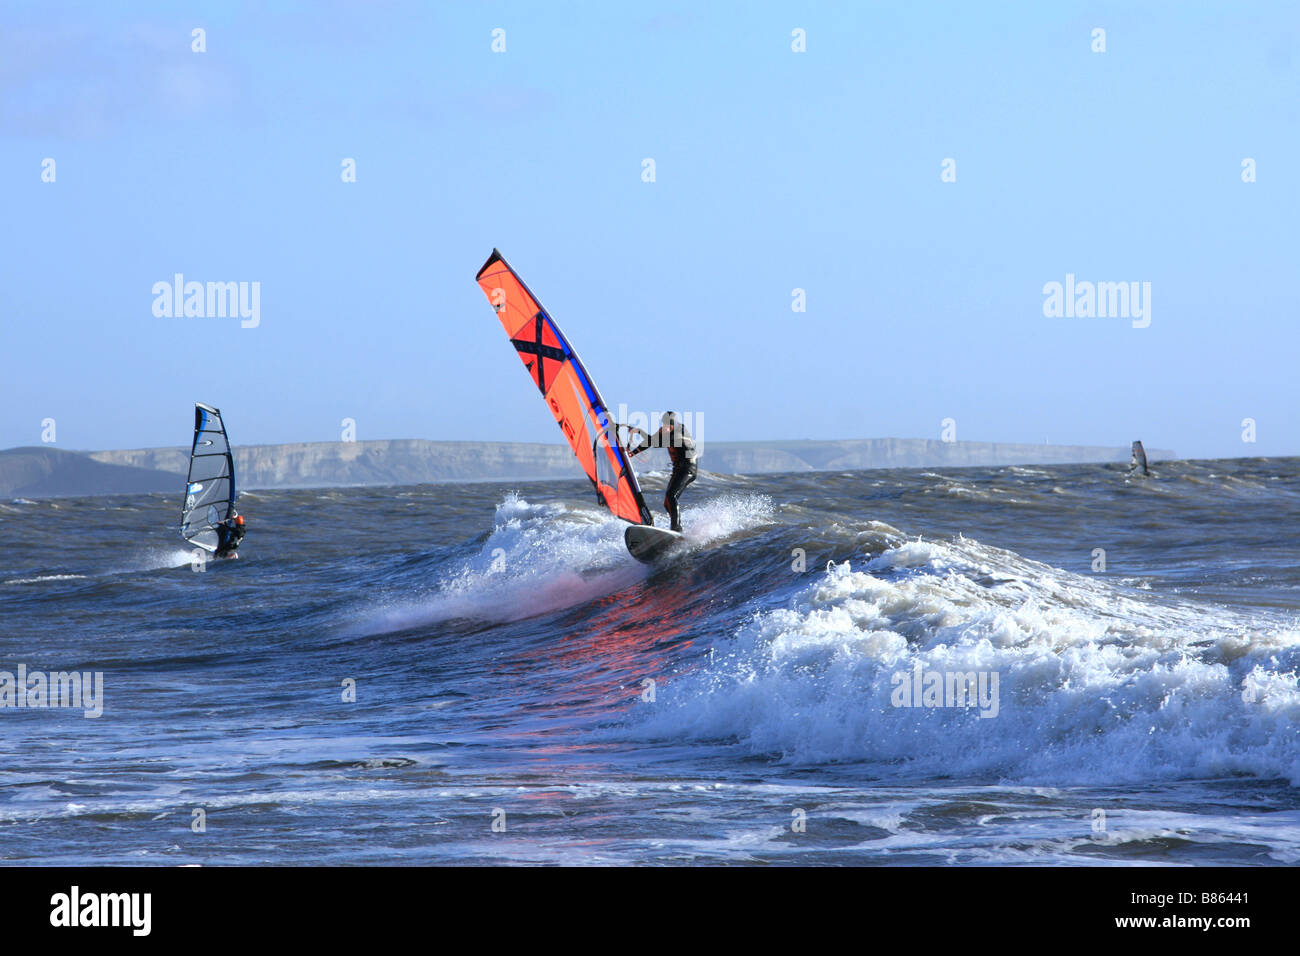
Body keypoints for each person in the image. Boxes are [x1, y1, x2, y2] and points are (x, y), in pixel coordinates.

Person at [628, 412, 698, 533]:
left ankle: (676, 529)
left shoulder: (679, 432)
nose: (665, 427)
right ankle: (676, 528)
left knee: (672, 497)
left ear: (673, 425)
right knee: (667, 503)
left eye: (668, 425)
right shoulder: (665, 431)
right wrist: (631, 454)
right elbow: (649, 442)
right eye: (664, 424)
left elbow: (658, 443)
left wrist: (639, 431)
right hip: (677, 469)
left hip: (688, 469)